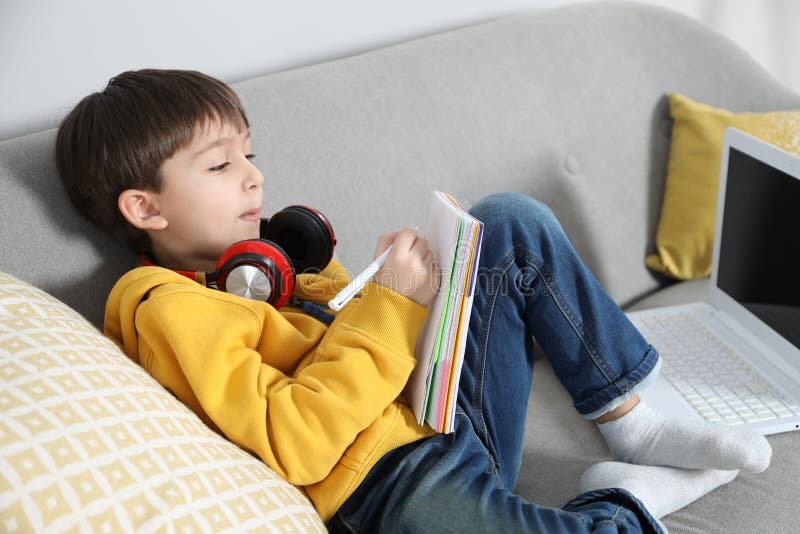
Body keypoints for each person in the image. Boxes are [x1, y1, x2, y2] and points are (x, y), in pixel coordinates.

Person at [55, 69, 772, 533]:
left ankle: (631, 421)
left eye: (249, 154)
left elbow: (353, 338)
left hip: (432, 415)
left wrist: (424, 274)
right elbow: (297, 438)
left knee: (511, 220)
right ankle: (623, 499)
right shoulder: (165, 308)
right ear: (146, 208)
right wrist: (391, 304)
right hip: (392, 485)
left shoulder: (270, 264)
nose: (253, 178)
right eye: (219, 165)